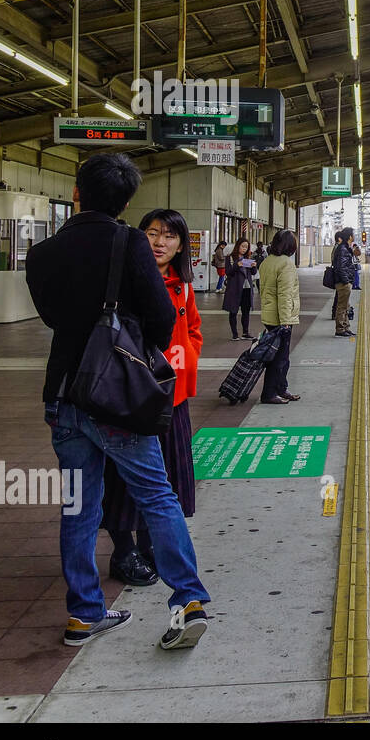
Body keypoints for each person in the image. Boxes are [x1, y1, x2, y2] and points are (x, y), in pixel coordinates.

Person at [25, 153, 210, 650]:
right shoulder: (129, 242)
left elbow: (50, 317)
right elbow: (158, 316)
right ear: (127, 201)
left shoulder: (41, 253)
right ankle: (187, 600)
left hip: (63, 395)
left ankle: (84, 615)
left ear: (77, 192)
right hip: (115, 398)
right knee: (156, 495)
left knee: (77, 507)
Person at [100, 209, 203, 586]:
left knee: (166, 474)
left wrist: (187, 357)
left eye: (170, 236)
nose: (160, 242)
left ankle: (149, 545)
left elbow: (192, 327)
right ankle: (123, 551)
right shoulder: (123, 280)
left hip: (170, 395)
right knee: (124, 475)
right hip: (128, 395)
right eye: (152, 233)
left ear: (180, 246)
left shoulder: (183, 285)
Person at [259, 229, 301, 404]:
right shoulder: (286, 264)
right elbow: (285, 294)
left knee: (278, 356)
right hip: (281, 318)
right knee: (279, 358)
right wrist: (285, 322)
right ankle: (269, 394)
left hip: (269, 315)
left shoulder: (267, 262)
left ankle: (281, 389)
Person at [222, 237, 256, 339]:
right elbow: (228, 272)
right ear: (238, 246)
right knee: (233, 311)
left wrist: (254, 266)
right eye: (243, 246)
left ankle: (245, 332)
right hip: (235, 288)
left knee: (246, 311)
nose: (244, 249)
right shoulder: (231, 257)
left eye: (246, 247)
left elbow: (253, 273)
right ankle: (235, 334)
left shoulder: (248, 259)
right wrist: (237, 265)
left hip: (247, 288)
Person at [332, 227, 357, 337]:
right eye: (353, 234)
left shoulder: (345, 248)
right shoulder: (343, 249)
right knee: (342, 307)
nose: (354, 236)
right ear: (349, 236)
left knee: (346, 306)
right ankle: (340, 329)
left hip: (345, 281)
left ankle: (346, 327)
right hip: (343, 283)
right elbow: (341, 267)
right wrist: (346, 281)